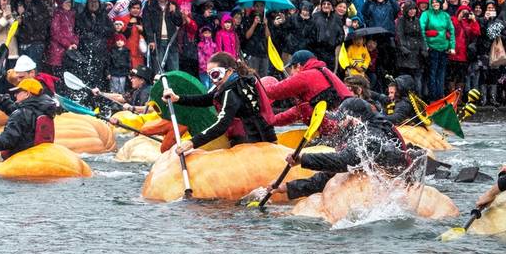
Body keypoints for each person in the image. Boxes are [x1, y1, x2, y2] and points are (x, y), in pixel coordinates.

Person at [265, 97, 410, 201]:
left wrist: (303, 159)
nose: (340, 124)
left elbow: (343, 161)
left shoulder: (371, 137)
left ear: (355, 119)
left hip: (399, 192)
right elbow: (331, 174)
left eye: (343, 119)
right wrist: (288, 188)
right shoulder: (367, 129)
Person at [164, 52, 277, 152]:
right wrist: (177, 98)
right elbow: (207, 99)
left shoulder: (231, 91)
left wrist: (192, 142)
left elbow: (221, 125)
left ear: (229, 71)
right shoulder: (241, 80)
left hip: (253, 143)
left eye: (215, 74)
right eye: (210, 76)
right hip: (266, 137)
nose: (213, 81)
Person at [0, 78, 57, 158]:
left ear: (27, 94)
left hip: (20, 157)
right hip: (38, 154)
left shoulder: (21, 114)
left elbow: (6, 141)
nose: (15, 95)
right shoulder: (42, 109)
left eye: (18, 92)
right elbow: (18, 112)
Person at [264, 49, 353, 124]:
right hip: (346, 118)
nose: (290, 73)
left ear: (298, 65)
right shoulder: (318, 73)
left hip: (348, 117)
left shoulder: (307, 76)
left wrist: (257, 88)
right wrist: (272, 121)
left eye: (292, 68)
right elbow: (298, 112)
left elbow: (277, 91)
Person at [420, 0, 455, 101]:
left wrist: (452, 46)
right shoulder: (426, 14)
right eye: (433, 2)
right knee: (432, 73)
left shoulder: (445, 15)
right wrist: (425, 44)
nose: (435, 4)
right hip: (432, 48)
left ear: (440, 3)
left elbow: (451, 30)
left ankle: (440, 95)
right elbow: (421, 29)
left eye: (437, 2)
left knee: (442, 73)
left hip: (444, 47)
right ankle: (433, 96)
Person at [142, 0, 181, 73]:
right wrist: (151, 40)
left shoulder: (173, 4)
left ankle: (173, 86)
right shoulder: (149, 5)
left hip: (171, 41)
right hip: (157, 41)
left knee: (174, 69)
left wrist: (174, 12)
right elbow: (147, 25)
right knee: (158, 70)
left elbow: (179, 22)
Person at [16, 0, 52, 69]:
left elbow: (37, 25)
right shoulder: (20, 4)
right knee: (23, 70)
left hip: (36, 43)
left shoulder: (41, 4)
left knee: (34, 70)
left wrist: (23, 15)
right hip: (22, 42)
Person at [46, 0, 78, 76]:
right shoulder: (57, 15)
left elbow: (75, 31)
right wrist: (67, 44)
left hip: (70, 51)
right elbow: (55, 33)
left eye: (70, 2)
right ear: (61, 3)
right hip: (58, 51)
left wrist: (75, 43)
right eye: (66, 2)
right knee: (58, 76)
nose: (68, 4)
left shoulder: (72, 15)